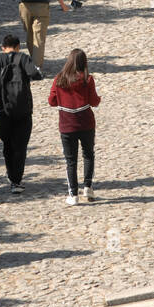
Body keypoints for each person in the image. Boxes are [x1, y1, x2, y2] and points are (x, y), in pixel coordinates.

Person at [0, 33, 43, 196]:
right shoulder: (23, 58)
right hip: (23, 111)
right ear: (18, 46)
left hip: (4, 111)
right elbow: (35, 75)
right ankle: (16, 180)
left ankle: (10, 174)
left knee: (7, 145)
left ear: (3, 47)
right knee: (20, 147)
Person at [47, 48, 100, 205]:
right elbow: (94, 101)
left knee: (71, 160)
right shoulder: (87, 80)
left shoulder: (59, 80)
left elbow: (51, 101)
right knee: (88, 154)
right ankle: (88, 187)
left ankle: (73, 194)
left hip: (67, 125)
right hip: (86, 123)